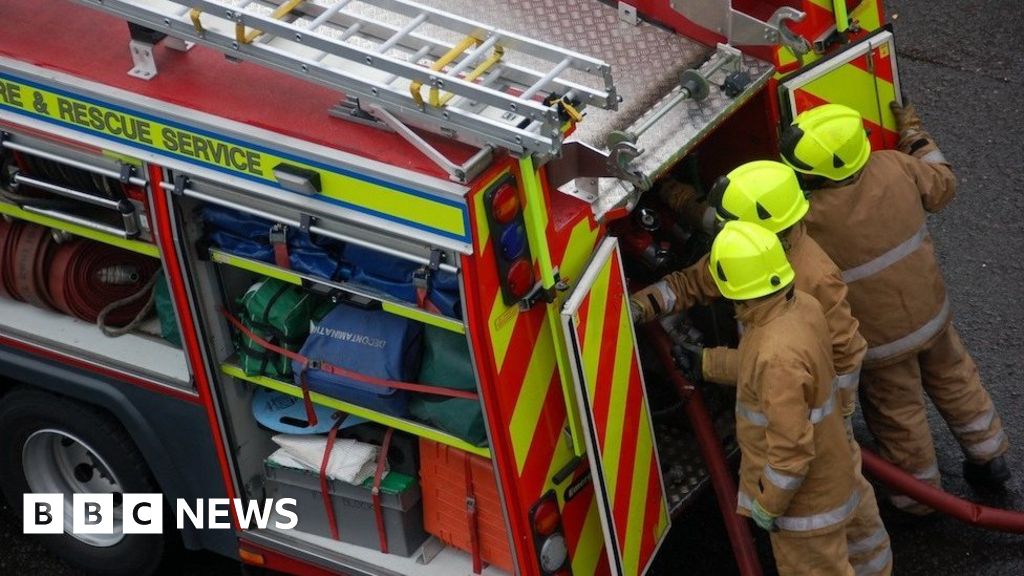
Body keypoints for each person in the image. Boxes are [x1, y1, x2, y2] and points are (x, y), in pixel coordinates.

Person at [631, 160, 891, 575]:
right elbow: (699, 290)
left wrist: (768, 502)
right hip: (829, 459)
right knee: (856, 518)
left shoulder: (807, 287)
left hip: (803, 499)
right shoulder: (793, 298)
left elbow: (790, 441)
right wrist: (700, 357)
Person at [779, 103, 1010, 514]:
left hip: (881, 345)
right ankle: (990, 457)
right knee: (957, 381)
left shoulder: (809, 220)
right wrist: (915, 134)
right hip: (932, 316)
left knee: (899, 416)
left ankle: (919, 502)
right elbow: (943, 185)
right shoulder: (896, 166)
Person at [706, 220, 859, 576]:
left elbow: (790, 450)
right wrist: (707, 362)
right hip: (830, 475)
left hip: (805, 507)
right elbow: (761, 367)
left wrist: (769, 504)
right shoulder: (801, 307)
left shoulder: (774, 354)